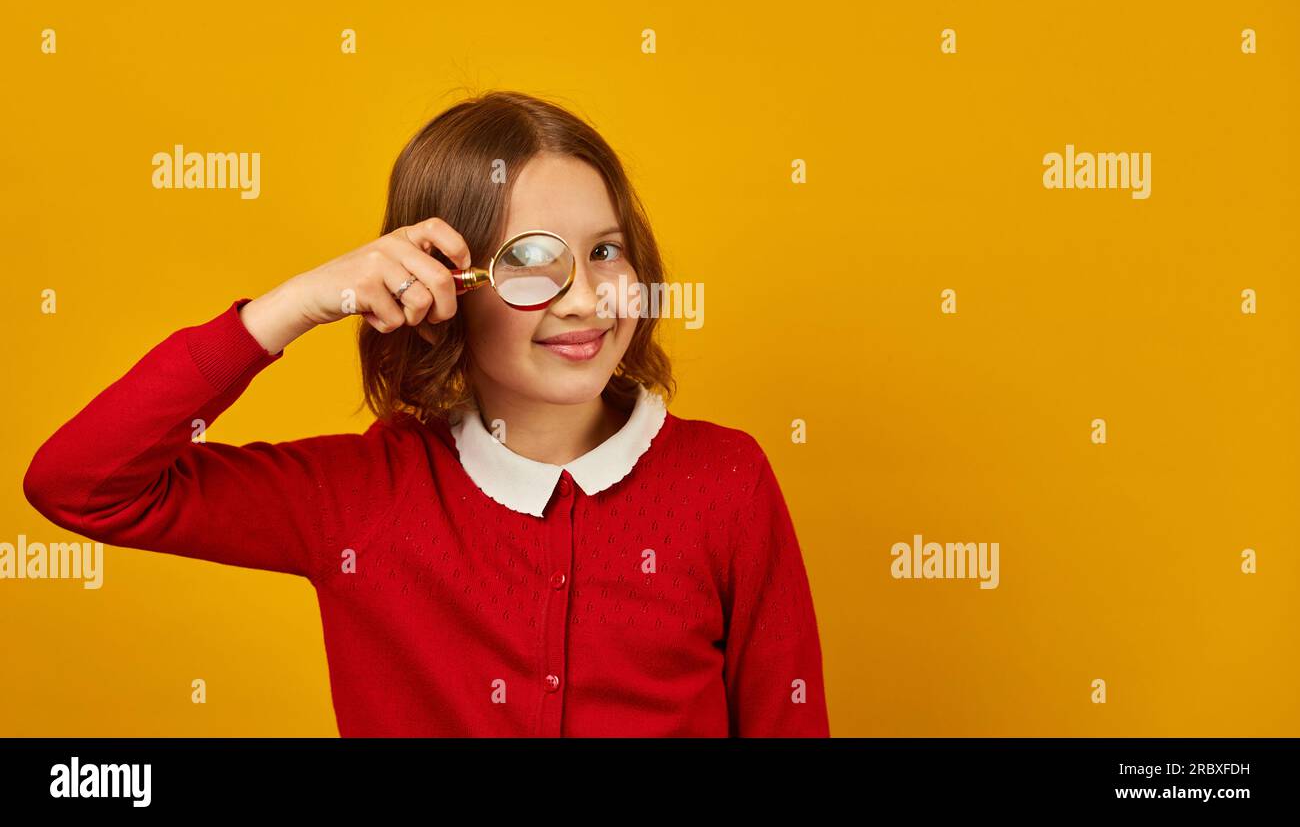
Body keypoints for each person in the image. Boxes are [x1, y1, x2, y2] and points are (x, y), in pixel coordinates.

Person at [23, 90, 830, 737]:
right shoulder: (361, 497)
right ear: (448, 283)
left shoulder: (726, 479)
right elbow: (83, 484)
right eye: (531, 261)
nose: (586, 298)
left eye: (605, 251)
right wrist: (291, 306)